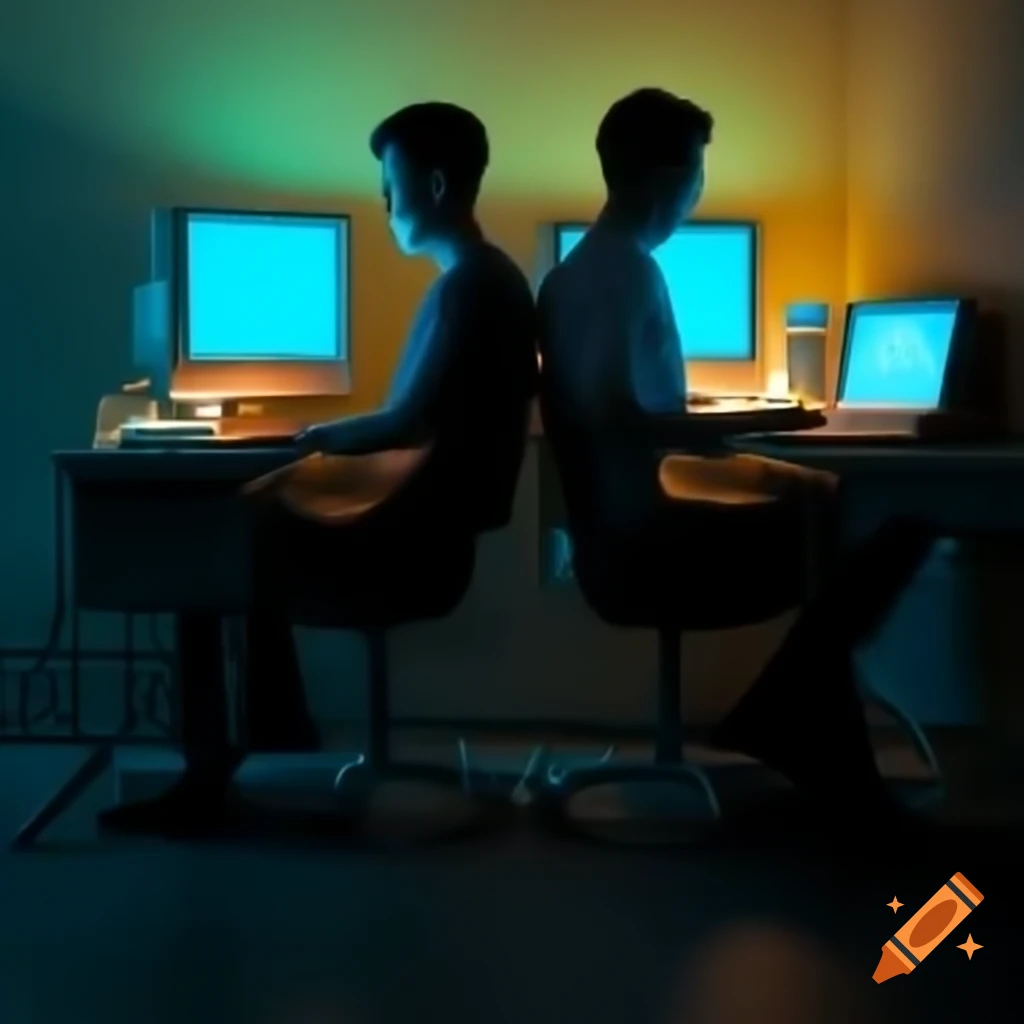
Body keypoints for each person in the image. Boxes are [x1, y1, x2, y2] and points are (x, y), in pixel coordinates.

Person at [102, 102, 538, 836]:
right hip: (432, 530)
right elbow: (419, 424)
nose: (384, 202)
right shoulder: (488, 280)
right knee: (241, 529)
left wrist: (310, 439)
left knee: (202, 554)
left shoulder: (468, 287)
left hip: (408, 544)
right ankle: (273, 735)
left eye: (389, 184)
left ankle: (211, 777)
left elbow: (403, 423)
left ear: (432, 185)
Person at [537, 88, 935, 829]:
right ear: (669, 173)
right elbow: (617, 419)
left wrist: (733, 418)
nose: (697, 188)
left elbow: (623, 409)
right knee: (894, 524)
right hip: (641, 549)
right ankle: (797, 726)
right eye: (696, 169)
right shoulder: (618, 272)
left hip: (627, 534)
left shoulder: (592, 270)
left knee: (827, 514)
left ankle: (789, 716)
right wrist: (770, 416)